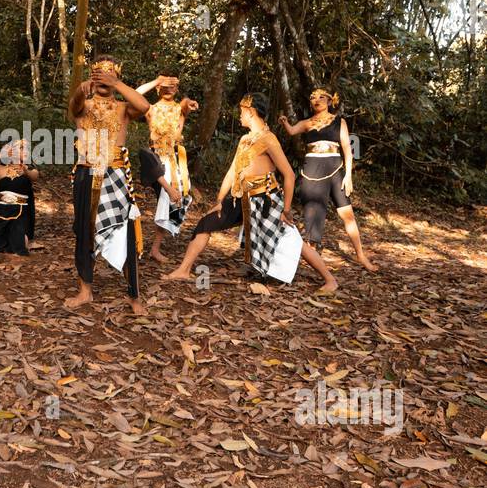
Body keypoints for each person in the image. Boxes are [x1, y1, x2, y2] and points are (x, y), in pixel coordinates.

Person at [164, 93, 338, 293]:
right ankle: (184, 270)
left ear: (251, 112)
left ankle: (330, 279)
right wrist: (220, 200)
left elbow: (289, 175)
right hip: (242, 199)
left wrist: (287, 209)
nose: (239, 115)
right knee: (205, 223)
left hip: (266, 201)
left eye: (242, 112)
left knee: (294, 241)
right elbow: (232, 171)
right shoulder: (245, 139)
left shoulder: (269, 139)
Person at [66, 57, 150, 313]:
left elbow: (145, 106)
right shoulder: (84, 105)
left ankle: (134, 295)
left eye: (109, 73)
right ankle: (85, 291)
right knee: (84, 232)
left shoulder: (124, 108)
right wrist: (82, 89)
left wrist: (118, 83)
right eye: (99, 73)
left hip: (115, 174)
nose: (104, 77)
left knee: (126, 231)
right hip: (86, 172)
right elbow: (74, 106)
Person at [279, 88, 376, 271]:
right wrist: (284, 121)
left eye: (321, 97)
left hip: (335, 170)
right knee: (312, 214)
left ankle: (361, 256)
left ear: (330, 100)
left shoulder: (340, 122)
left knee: (347, 214)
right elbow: (292, 131)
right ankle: (312, 257)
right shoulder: (307, 123)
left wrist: (348, 175)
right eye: (313, 97)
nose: (317, 99)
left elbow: (347, 149)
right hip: (312, 170)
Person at [135, 73, 199, 262]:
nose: (169, 88)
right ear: (158, 88)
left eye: (173, 85)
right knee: (168, 196)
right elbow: (135, 94)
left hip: (175, 161)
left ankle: (155, 248)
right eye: (165, 85)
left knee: (173, 200)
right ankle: (137, 243)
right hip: (155, 161)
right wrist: (156, 80)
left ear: (177, 89)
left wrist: (189, 101)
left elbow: (186, 103)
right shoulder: (150, 109)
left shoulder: (180, 109)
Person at [0, 139, 39, 257]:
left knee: (19, 243)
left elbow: (34, 176)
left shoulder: (29, 169)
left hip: (20, 211)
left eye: (27, 148)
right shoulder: (0, 169)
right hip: (1, 210)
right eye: (20, 148)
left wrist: (25, 171)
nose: (25, 151)